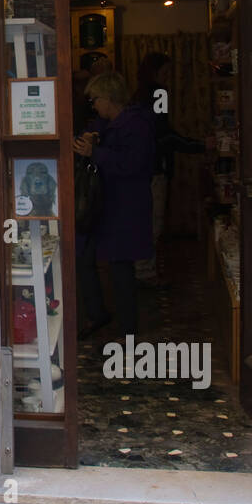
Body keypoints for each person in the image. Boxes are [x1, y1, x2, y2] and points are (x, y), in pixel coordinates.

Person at [74, 71, 155, 339]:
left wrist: (95, 153)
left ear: (109, 98)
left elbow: (133, 164)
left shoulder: (138, 124)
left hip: (125, 207)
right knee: (84, 258)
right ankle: (98, 314)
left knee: (121, 269)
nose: (94, 105)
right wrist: (91, 140)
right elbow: (91, 133)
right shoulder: (107, 122)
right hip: (104, 206)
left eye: (95, 99)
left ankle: (128, 332)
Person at [130, 52, 206, 286]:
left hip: (142, 166)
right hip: (156, 167)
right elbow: (165, 133)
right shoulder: (159, 94)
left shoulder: (138, 95)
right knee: (154, 222)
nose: (168, 77)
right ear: (156, 73)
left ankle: (142, 268)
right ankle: (145, 271)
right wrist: (198, 145)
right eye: (165, 72)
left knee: (145, 220)